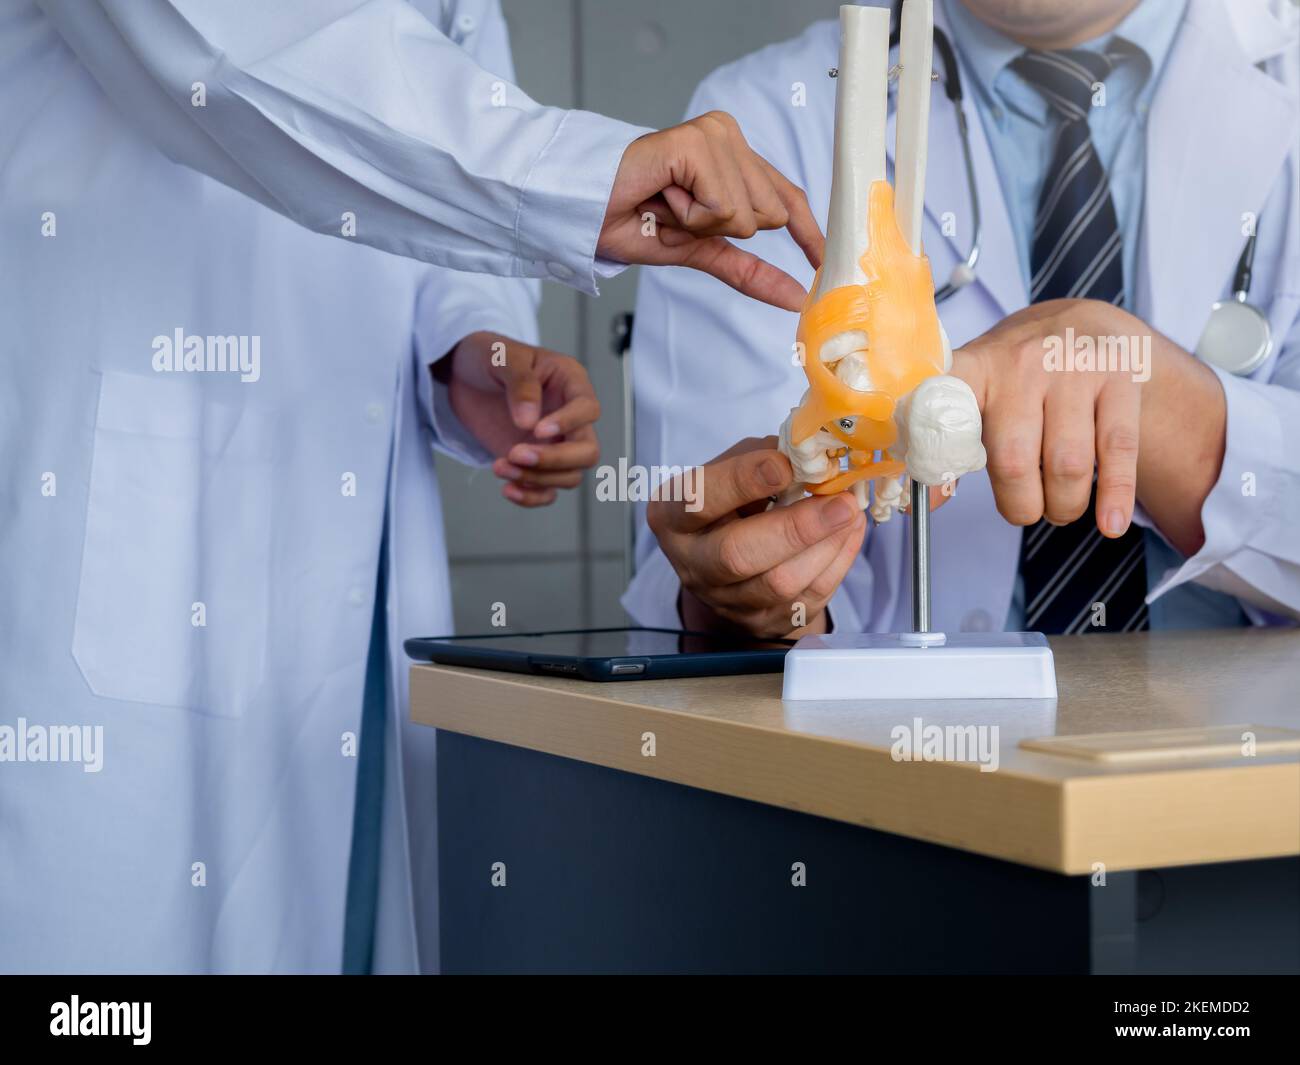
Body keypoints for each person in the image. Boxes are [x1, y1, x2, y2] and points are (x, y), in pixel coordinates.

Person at [0, 0, 825, 974]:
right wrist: (582, 173)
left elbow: (432, 106)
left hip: (350, 546)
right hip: (135, 505)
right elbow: (221, 47)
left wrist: (465, 349)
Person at [624, 0, 1300, 640]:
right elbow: (703, 581)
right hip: (887, 751)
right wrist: (751, 596)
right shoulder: (763, 123)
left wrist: (1192, 430)